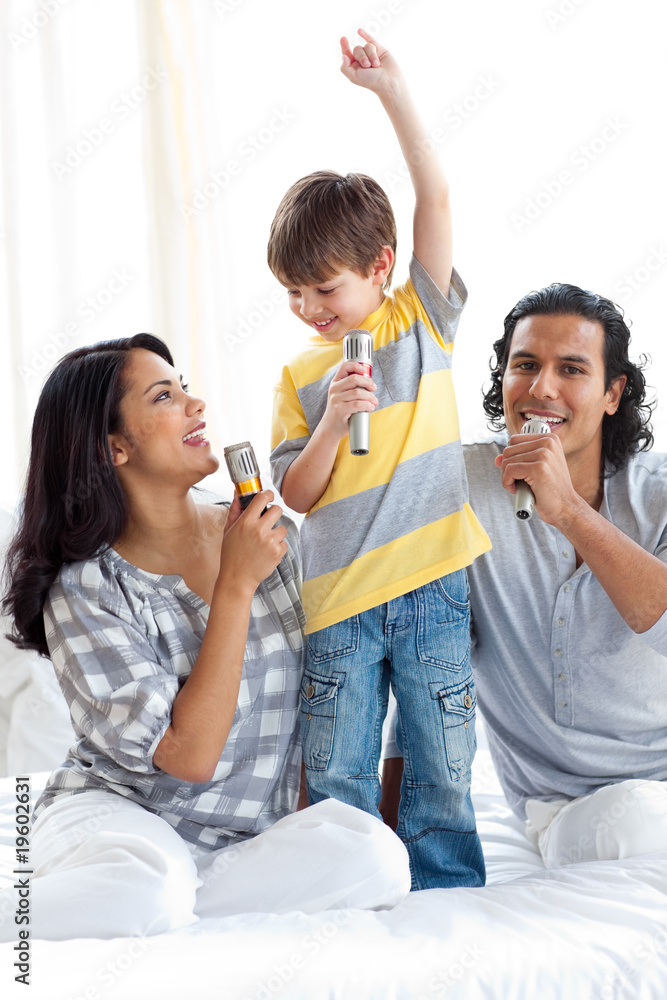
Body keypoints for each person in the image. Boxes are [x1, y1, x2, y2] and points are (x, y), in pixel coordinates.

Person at [0, 334, 410, 942]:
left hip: (232, 840)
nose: (197, 406)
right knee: (146, 883)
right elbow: (189, 756)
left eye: (186, 386)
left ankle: (162, 904)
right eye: (166, 396)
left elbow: (320, 702)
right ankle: (135, 897)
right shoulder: (86, 589)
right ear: (114, 447)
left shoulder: (265, 536)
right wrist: (235, 586)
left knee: (372, 857)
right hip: (120, 815)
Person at [268, 31, 491, 890]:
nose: (308, 307)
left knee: (440, 752)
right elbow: (297, 492)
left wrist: (391, 91)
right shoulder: (298, 376)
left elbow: (434, 193)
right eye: (293, 292)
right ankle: (342, 888)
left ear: (380, 269)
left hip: (433, 585)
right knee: (337, 765)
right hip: (338, 601)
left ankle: (442, 892)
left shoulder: (417, 326)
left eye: (325, 288)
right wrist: (330, 421)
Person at [384, 282, 667, 867]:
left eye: (571, 369)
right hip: (564, 807)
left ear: (613, 393)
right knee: (638, 827)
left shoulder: (658, 495)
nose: (542, 389)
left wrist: (568, 511)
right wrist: (390, 838)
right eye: (526, 365)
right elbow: (426, 672)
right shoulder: (458, 488)